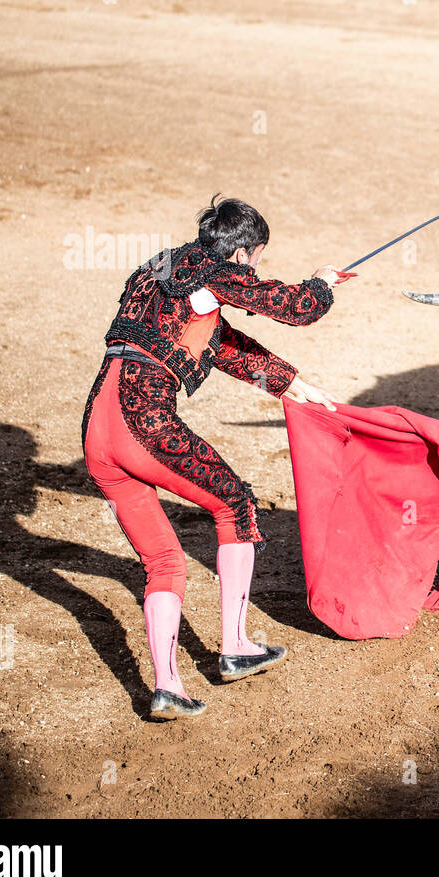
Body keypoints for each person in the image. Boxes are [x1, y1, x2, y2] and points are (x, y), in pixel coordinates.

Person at [82, 196, 350, 720]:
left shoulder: (160, 268)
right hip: (144, 422)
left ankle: (167, 688)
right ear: (245, 252)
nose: (253, 269)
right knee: (237, 506)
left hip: (97, 430)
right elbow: (298, 308)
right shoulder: (215, 268)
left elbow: (217, 342)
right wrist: (321, 283)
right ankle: (235, 646)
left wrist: (291, 385)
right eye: (256, 259)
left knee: (162, 560)